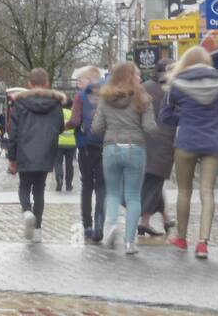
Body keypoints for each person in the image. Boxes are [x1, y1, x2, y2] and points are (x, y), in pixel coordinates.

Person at [160, 46, 218, 258]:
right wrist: (213, 123)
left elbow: (164, 115)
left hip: (187, 140)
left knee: (184, 191)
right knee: (207, 191)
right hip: (213, 141)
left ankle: (181, 239)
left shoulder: (177, 83)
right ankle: (202, 243)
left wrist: (185, 119)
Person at [89, 62, 159, 254]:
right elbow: (150, 128)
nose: (139, 78)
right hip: (134, 148)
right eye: (137, 74)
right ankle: (129, 242)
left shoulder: (105, 98)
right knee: (133, 196)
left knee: (112, 193)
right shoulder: (142, 97)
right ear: (129, 76)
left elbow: (96, 128)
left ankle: (110, 227)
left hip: (110, 148)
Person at [6, 68, 68, 243]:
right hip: (46, 151)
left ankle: (26, 211)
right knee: (39, 190)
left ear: (29, 84)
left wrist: (12, 158)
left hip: (25, 150)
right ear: (47, 83)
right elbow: (60, 126)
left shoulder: (19, 103)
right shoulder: (55, 103)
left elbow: (14, 132)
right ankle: (38, 229)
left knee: (24, 186)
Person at [67, 66, 107, 242]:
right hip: (105, 145)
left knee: (87, 185)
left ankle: (88, 226)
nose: (78, 85)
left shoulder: (80, 97)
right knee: (102, 186)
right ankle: (100, 221)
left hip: (85, 146)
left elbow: (75, 120)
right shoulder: (108, 95)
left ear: (89, 80)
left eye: (80, 81)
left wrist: (63, 127)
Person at [137, 57, 176, 237]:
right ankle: (143, 221)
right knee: (155, 182)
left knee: (154, 181)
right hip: (165, 141)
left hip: (144, 140)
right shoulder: (174, 89)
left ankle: (166, 219)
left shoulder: (144, 87)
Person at [54, 110, 76, 191]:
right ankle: (69, 184)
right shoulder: (73, 113)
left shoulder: (58, 112)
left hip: (59, 142)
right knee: (69, 164)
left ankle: (59, 177)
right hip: (71, 142)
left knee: (58, 162)